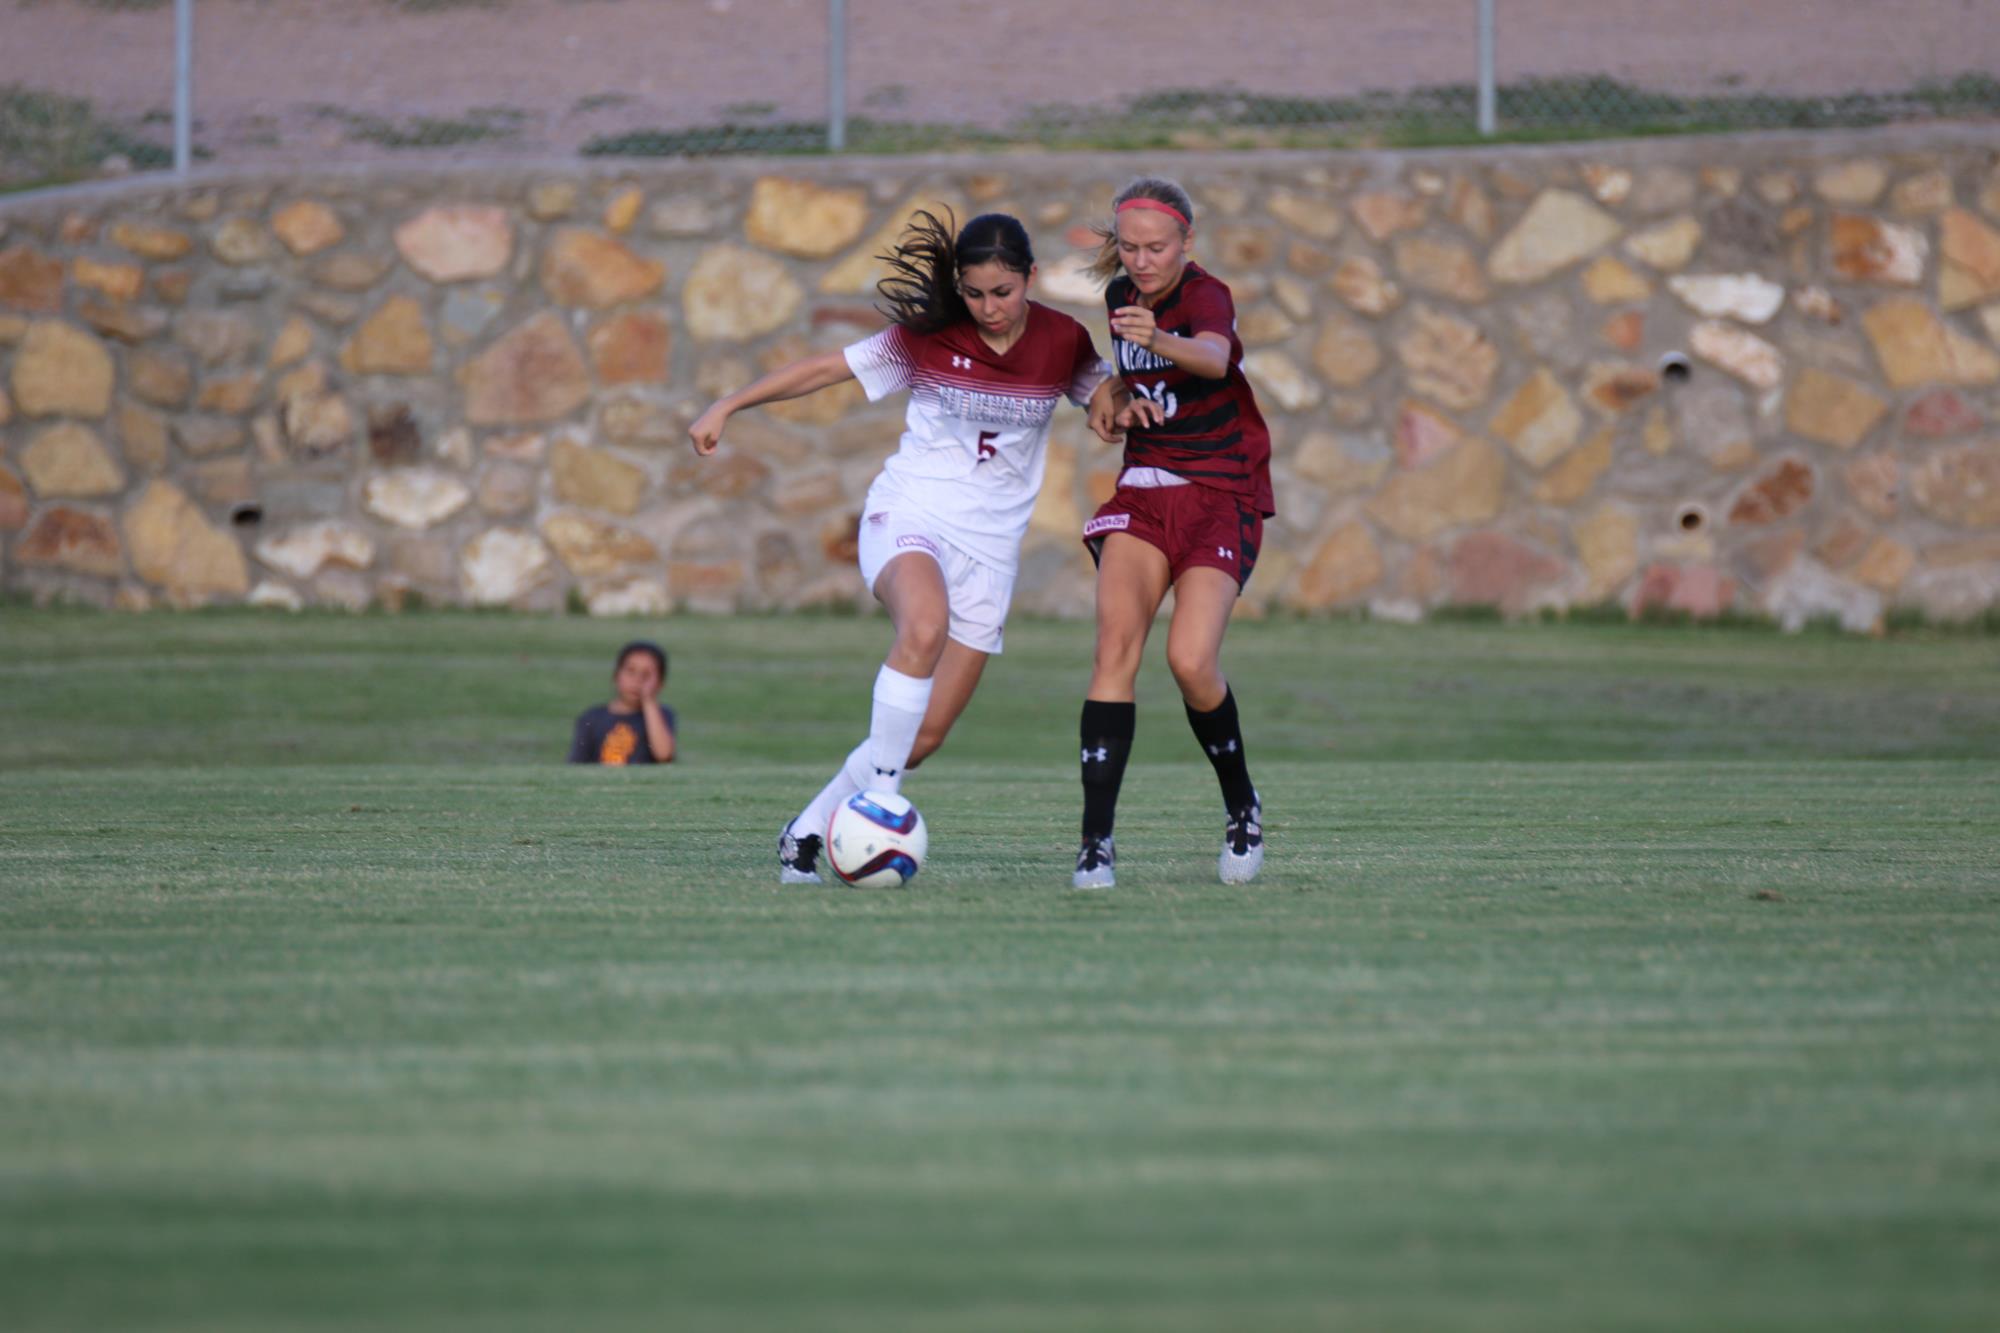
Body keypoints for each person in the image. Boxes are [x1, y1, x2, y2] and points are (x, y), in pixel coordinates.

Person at [688, 210, 1115, 883]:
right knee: (923, 625)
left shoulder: (1064, 341)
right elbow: (825, 369)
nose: (989, 307)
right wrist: (729, 405)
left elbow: (1101, 396)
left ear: (1031, 279)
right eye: (974, 293)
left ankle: (804, 832)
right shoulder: (926, 339)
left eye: (1002, 292)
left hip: (992, 551)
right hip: (910, 513)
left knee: (923, 737)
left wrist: (1112, 407)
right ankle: (882, 807)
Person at [1072, 177, 1275, 890]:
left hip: (1220, 494)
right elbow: (1138, 384)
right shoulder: (1118, 297)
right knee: (1114, 649)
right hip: (1146, 490)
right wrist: (1119, 406)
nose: (1142, 260)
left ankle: (1242, 806)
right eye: (1128, 248)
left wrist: (1158, 337)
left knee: (1190, 661)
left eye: (1156, 247)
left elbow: (1215, 359)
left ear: (1186, 242)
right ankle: (1095, 843)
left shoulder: (1204, 295)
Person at [568, 640, 677, 765]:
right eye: (631, 671)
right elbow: (576, 764)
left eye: (646, 675)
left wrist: (649, 701)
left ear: (660, 683)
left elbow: (664, 755)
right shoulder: (592, 717)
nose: (637, 680)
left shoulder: (661, 715)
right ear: (616, 675)